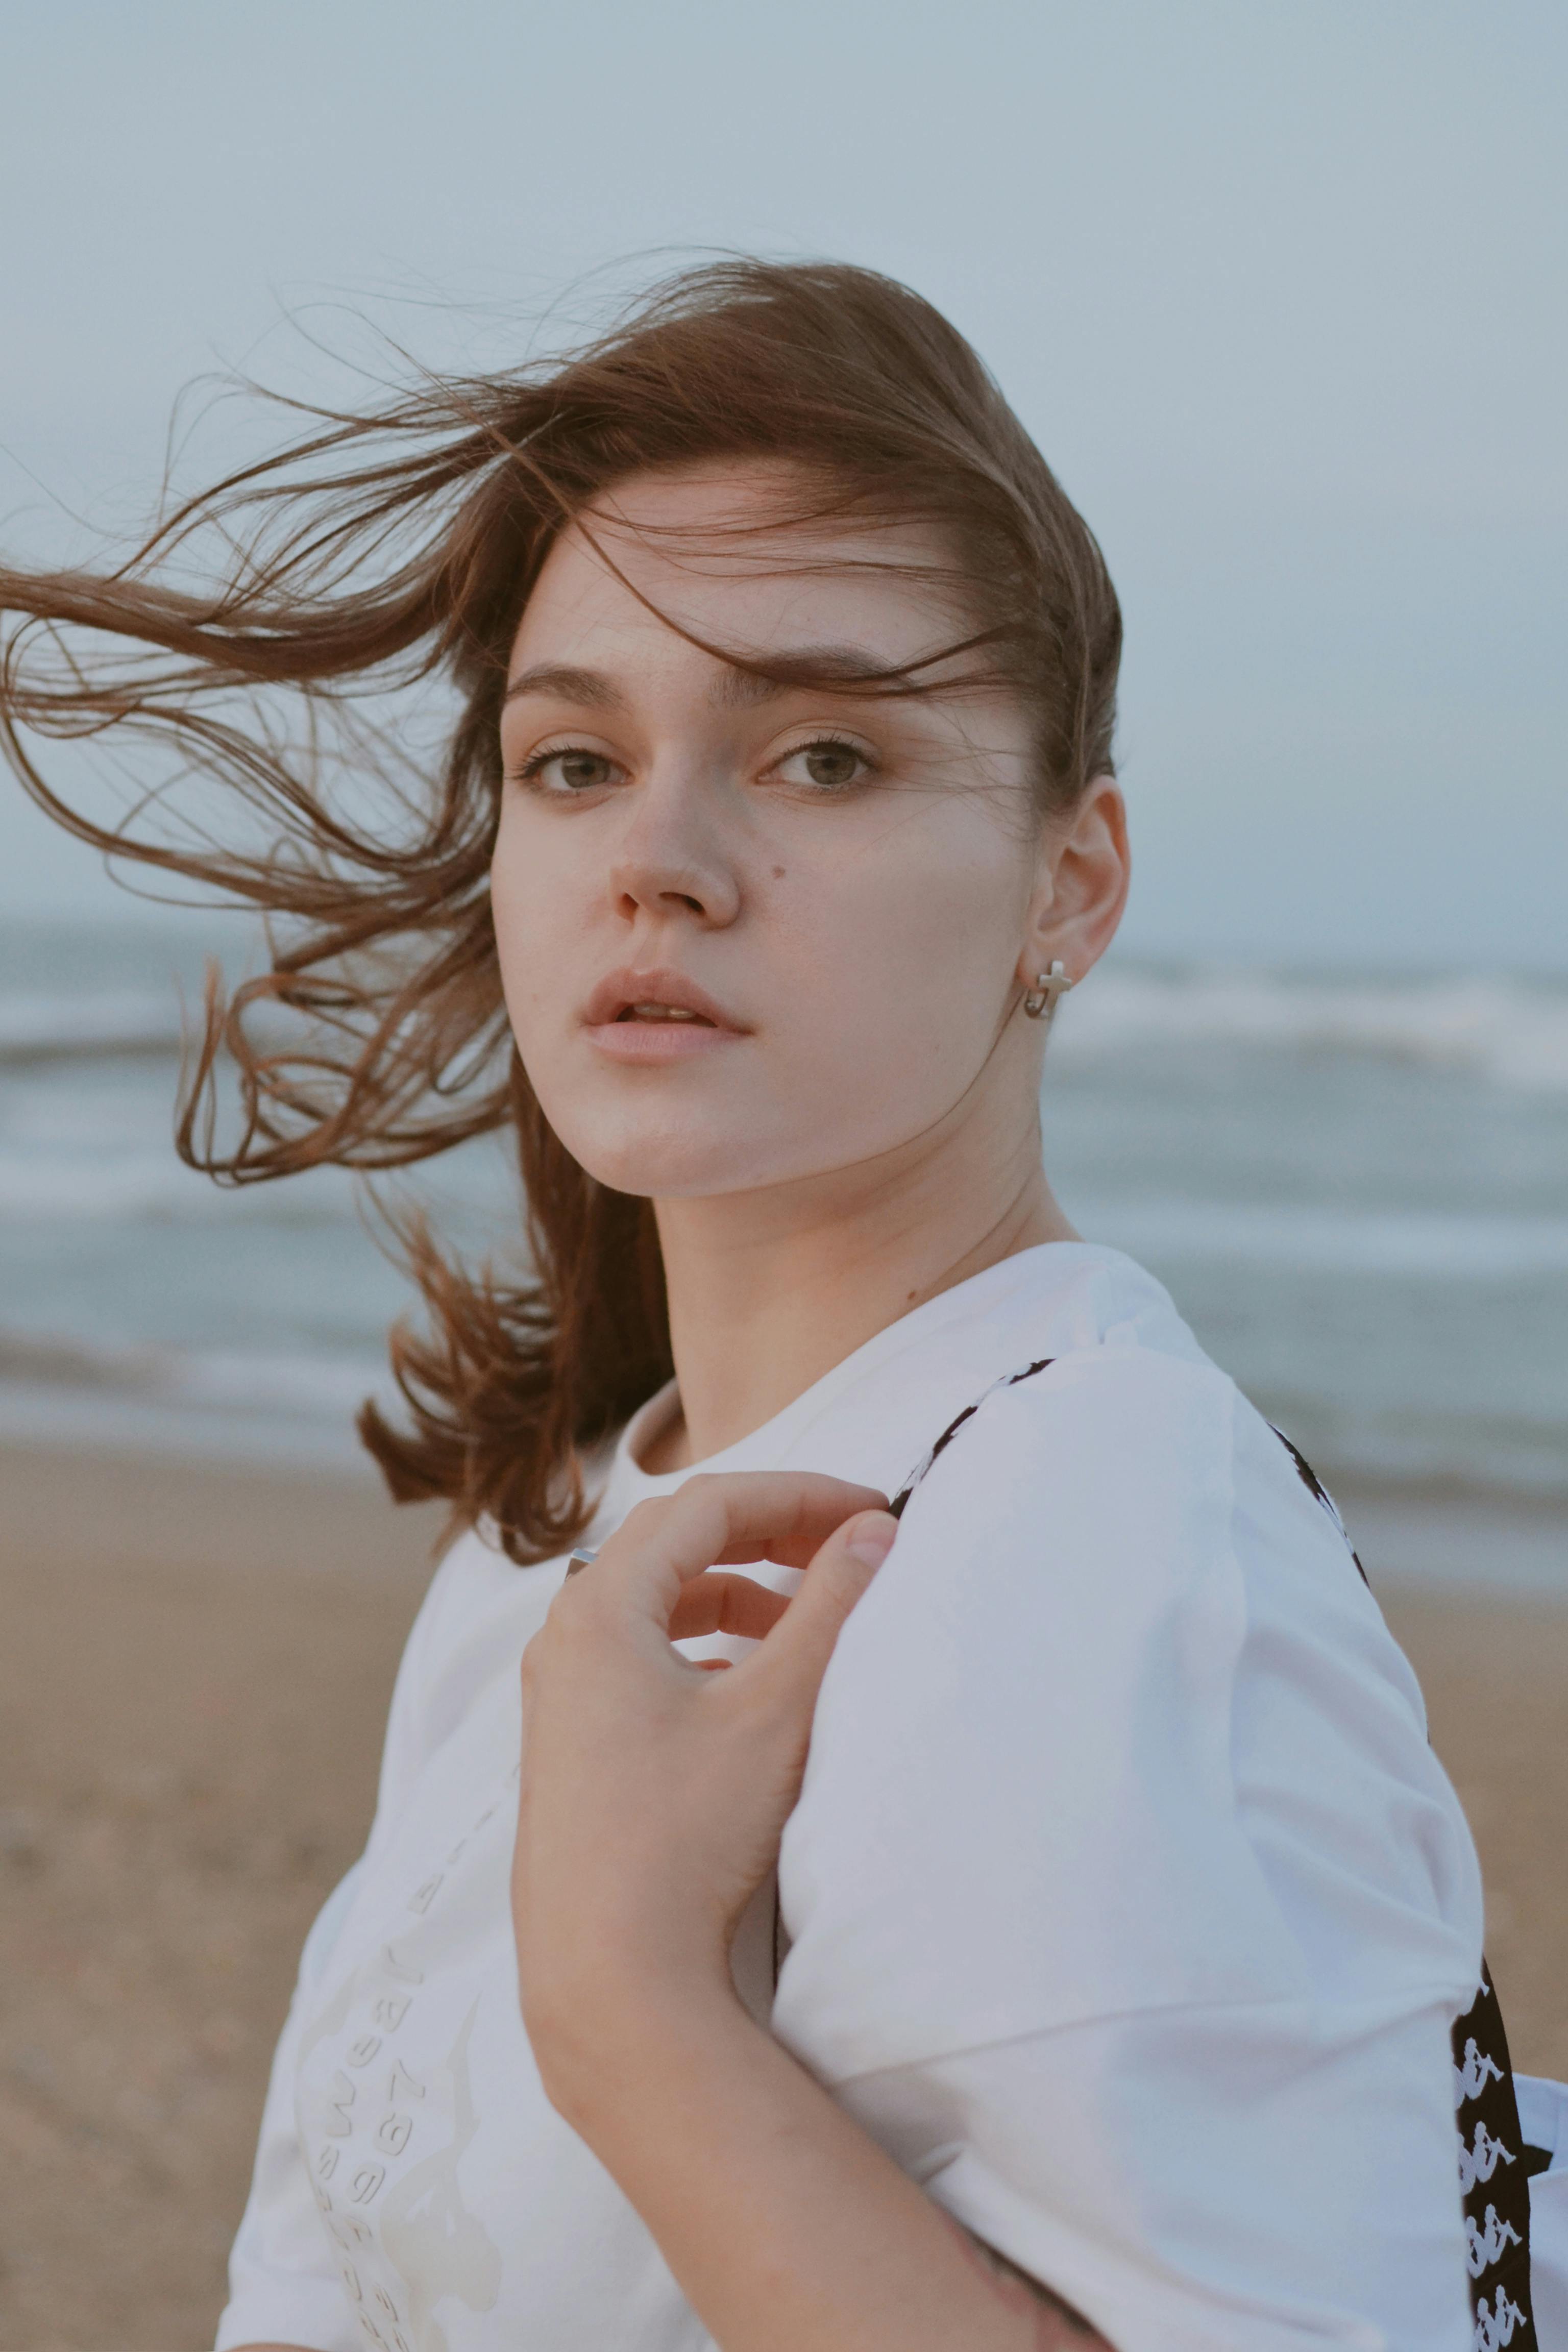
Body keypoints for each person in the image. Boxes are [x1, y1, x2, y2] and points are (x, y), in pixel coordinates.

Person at [1, 261, 1486, 2349]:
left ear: (1071, 882)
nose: (663, 859)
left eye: (823, 758)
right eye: (575, 761)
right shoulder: (572, 1524)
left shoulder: (1094, 1529)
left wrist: (627, 2008)